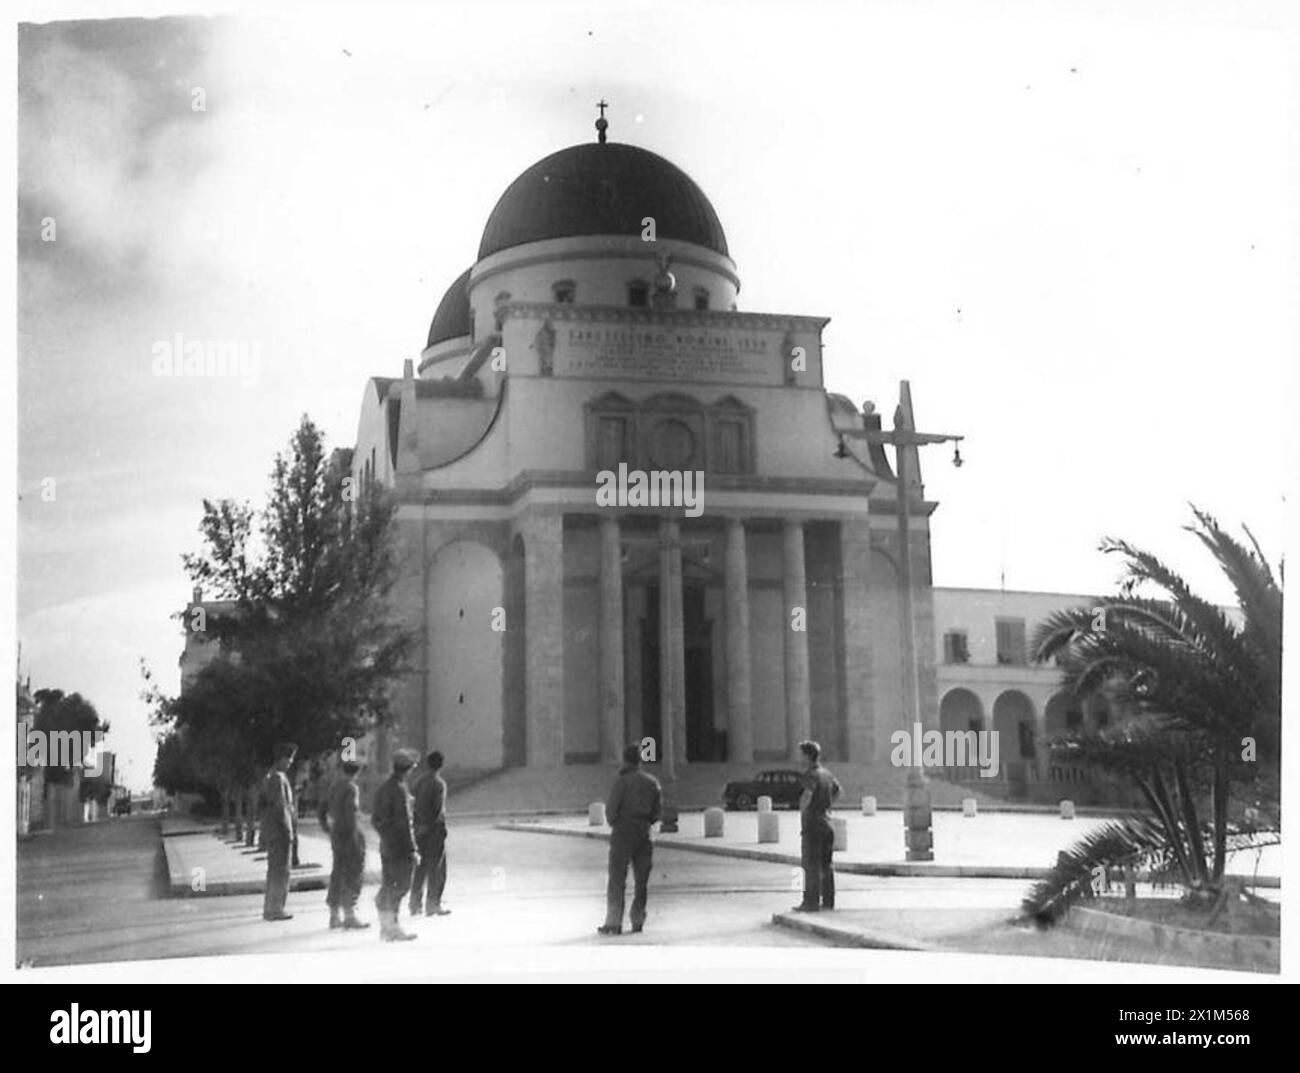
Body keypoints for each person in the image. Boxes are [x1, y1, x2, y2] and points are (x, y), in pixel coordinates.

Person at [598, 742, 661, 936]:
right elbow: (656, 812)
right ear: (641, 759)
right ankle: (637, 920)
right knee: (641, 881)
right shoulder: (652, 782)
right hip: (644, 831)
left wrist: (617, 823)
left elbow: (611, 811)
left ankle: (614, 922)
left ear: (625, 759)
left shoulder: (622, 782)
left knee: (617, 878)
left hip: (623, 831)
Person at [371, 749, 419, 941]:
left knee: (390, 883)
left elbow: (375, 819)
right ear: (407, 770)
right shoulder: (400, 790)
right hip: (400, 847)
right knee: (401, 886)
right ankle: (392, 926)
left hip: (387, 846)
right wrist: (412, 848)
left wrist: (385, 836)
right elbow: (404, 823)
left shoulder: (383, 789)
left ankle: (386, 927)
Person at [318, 759, 369, 930]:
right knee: (353, 874)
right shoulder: (351, 788)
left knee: (338, 873)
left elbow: (322, 808)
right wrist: (355, 837)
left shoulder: (333, 787)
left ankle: (334, 916)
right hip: (350, 835)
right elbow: (350, 813)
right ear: (357, 773)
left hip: (336, 834)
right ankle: (349, 914)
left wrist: (326, 827)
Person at [793, 739, 841, 912]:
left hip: (813, 824)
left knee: (810, 864)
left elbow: (807, 795)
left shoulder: (810, 775)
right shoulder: (827, 774)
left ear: (807, 756)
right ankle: (828, 901)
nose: (798, 758)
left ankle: (810, 902)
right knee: (826, 864)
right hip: (827, 823)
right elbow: (837, 791)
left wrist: (803, 811)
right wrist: (826, 805)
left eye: (800, 754)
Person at [258, 742, 298, 921]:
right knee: (281, 871)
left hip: (273, 831)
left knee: (275, 870)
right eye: (289, 759)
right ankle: (276, 908)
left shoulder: (270, 776)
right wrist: (288, 832)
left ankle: (271, 907)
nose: (290, 762)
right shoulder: (278, 778)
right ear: (281, 758)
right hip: (281, 831)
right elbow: (281, 807)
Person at [409, 750, 450, 917]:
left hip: (419, 829)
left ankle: (414, 903)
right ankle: (433, 903)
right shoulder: (439, 784)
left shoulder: (418, 782)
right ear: (441, 765)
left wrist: (419, 825)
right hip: (433, 831)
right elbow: (437, 809)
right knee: (437, 868)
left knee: (420, 868)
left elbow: (413, 804)